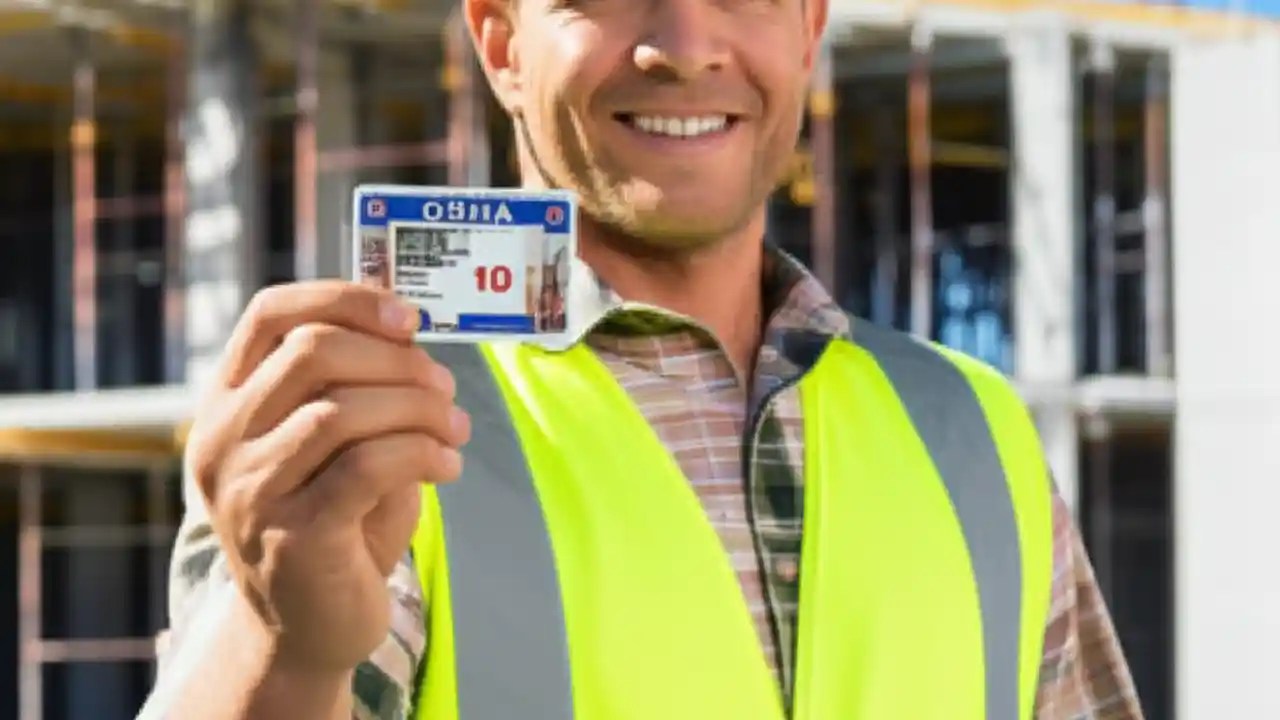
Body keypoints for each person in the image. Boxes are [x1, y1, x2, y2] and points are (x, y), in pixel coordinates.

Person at [141, 0, 1146, 717]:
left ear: (807, 29)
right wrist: (282, 646)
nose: (683, 45)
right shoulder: (369, 423)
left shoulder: (977, 428)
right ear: (498, 41)